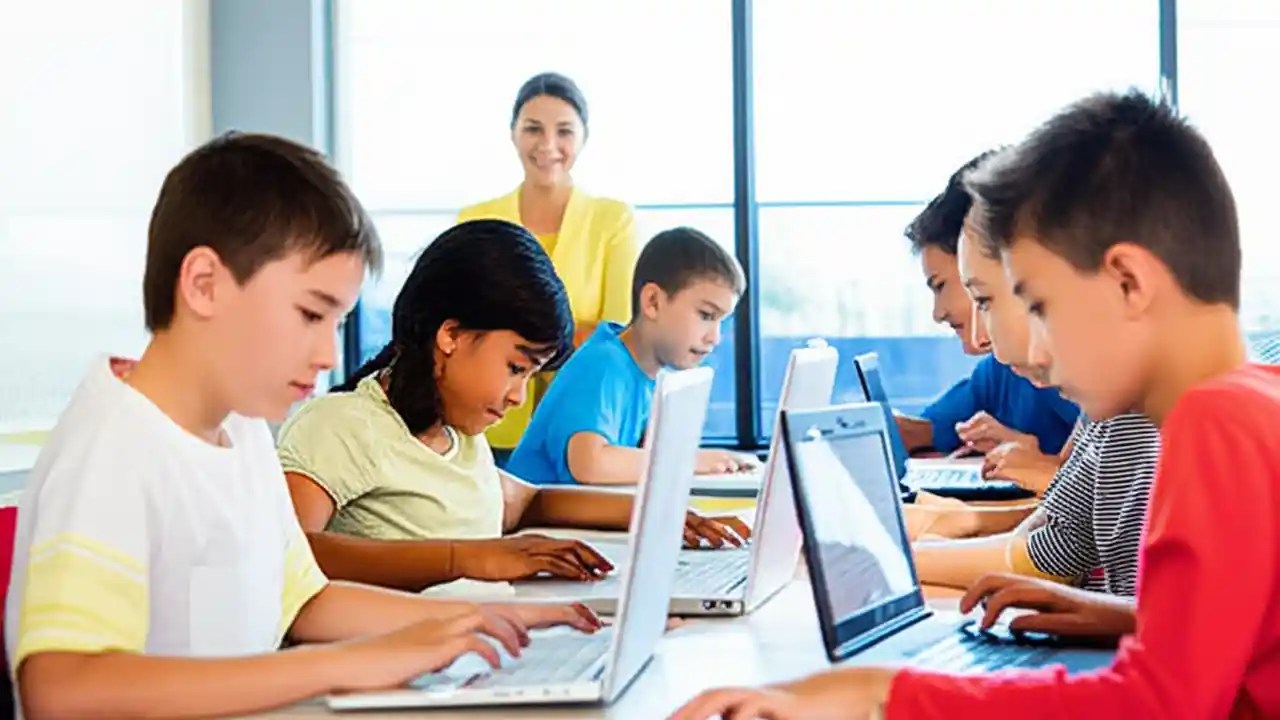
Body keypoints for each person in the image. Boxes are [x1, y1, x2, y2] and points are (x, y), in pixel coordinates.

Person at [670, 90, 1280, 720]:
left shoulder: (1212, 423)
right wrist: (1132, 618)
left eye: (1039, 306)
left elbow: (1159, 704)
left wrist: (881, 693)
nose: (1035, 351)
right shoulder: (1258, 397)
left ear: (1129, 282)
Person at [3, 134, 599, 719]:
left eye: (335, 320)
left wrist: (476, 623)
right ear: (204, 284)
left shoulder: (239, 429)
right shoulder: (114, 447)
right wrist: (346, 665)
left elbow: (305, 601)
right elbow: (63, 690)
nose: (324, 352)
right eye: (310, 314)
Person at [277, 220, 750, 592]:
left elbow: (529, 501)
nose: (518, 396)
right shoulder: (341, 425)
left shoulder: (457, 434)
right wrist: (466, 558)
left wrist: (657, 515)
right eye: (515, 367)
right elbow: (289, 553)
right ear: (451, 335)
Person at [913, 206, 1159, 593]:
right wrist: (961, 528)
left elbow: (1058, 554)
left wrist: (906, 560)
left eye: (986, 301)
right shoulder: (1113, 405)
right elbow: (1061, 527)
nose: (981, 338)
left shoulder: (1136, 410)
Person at [458, 72, 638, 455]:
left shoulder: (613, 220)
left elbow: (617, 337)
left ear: (583, 137)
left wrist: (509, 337)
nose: (548, 145)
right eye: (533, 129)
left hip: (585, 431)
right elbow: (465, 332)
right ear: (513, 134)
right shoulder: (475, 220)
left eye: (564, 131)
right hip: (487, 429)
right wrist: (571, 334)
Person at [507, 227, 757, 486]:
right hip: (532, 523)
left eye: (721, 322)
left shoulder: (652, 377)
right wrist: (690, 460)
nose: (714, 337)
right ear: (653, 302)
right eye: (706, 315)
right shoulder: (604, 363)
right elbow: (590, 465)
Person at [895, 153, 1079, 457]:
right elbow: (935, 427)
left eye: (941, 285)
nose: (937, 313)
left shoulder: (1104, 391)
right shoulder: (1002, 371)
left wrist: (1048, 468)